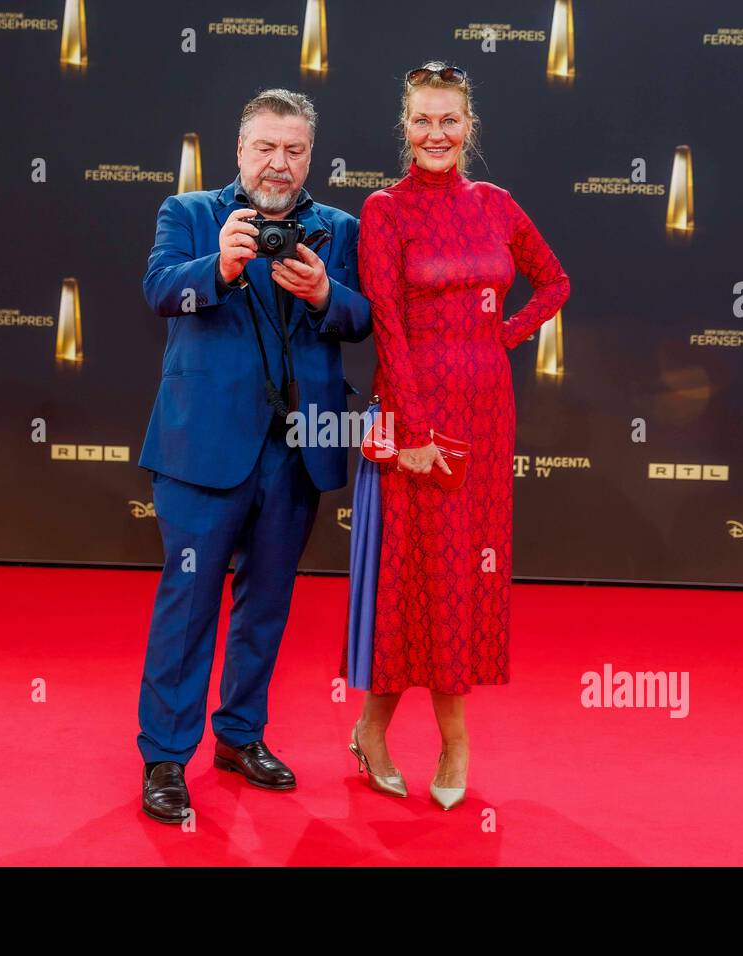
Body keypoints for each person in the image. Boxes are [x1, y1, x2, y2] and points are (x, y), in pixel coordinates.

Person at [137, 89, 372, 823]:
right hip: (201, 448)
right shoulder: (190, 214)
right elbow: (158, 291)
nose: (279, 162)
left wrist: (328, 293)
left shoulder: (341, 228)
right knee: (188, 605)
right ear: (238, 151)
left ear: (310, 156)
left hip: (296, 452)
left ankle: (239, 737)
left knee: (266, 606)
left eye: (294, 149)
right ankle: (165, 758)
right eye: (265, 147)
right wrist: (219, 270)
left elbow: (365, 320)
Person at [345, 62, 571, 809]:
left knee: (464, 577)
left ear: (469, 128)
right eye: (422, 120)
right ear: (403, 128)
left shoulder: (498, 205)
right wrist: (411, 430)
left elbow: (555, 281)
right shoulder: (385, 210)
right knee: (408, 581)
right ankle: (385, 733)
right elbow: (388, 326)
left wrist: (499, 336)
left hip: (487, 414)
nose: (435, 133)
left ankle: (448, 739)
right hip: (415, 414)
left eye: (448, 120)